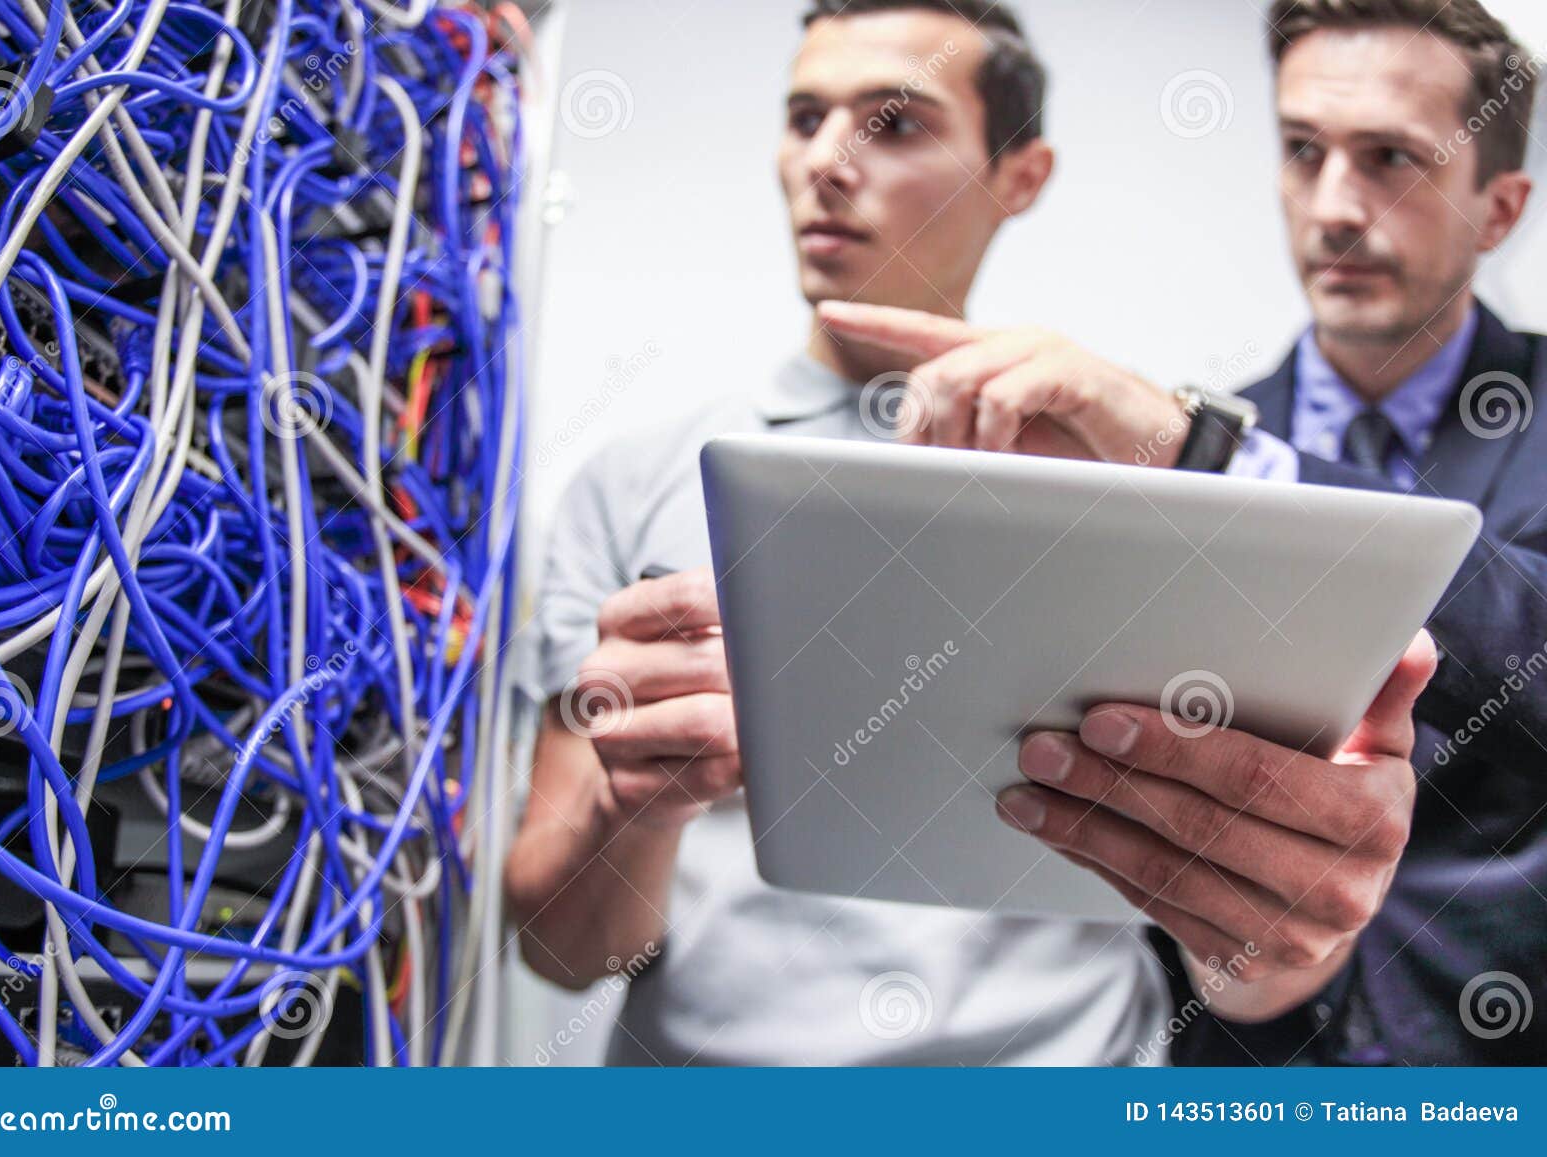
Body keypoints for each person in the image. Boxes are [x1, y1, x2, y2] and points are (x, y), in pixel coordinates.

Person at [506, 0, 1440, 1066]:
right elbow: (562, 949)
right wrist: (638, 812)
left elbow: (1255, 962)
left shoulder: (1146, 482)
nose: (827, 161)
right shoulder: (634, 481)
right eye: (805, 118)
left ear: (1021, 175)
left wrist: (1297, 913)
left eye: (895, 123)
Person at [820, 0, 1547, 1064]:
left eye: (1390, 158)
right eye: (1303, 151)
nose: (1334, 208)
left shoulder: (1195, 453)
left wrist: (1209, 456)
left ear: (1498, 207)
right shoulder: (1175, 459)